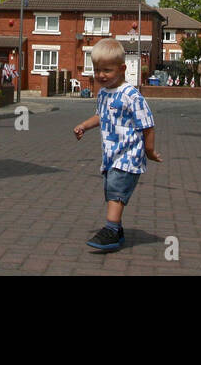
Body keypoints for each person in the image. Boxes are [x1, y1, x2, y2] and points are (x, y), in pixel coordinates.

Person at [73, 38, 161, 253]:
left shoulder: (132, 96)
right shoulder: (103, 93)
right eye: (97, 70)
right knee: (111, 189)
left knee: (115, 192)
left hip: (129, 155)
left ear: (122, 69)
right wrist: (84, 125)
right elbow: (101, 116)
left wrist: (149, 151)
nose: (100, 75)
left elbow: (147, 125)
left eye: (107, 70)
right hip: (111, 155)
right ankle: (118, 231)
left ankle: (111, 229)